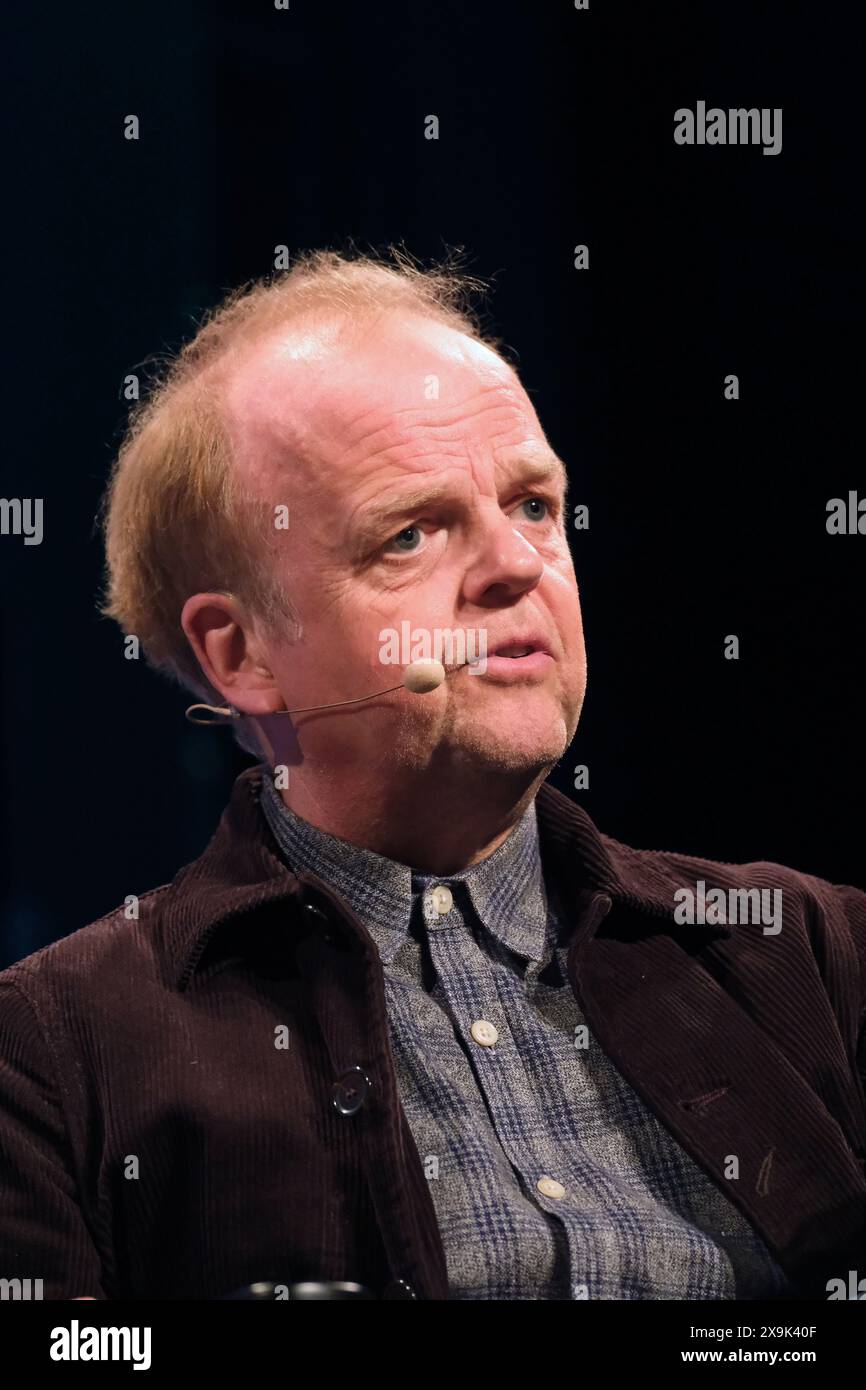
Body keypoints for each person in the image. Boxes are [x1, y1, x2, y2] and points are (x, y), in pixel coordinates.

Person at [1, 250, 864, 1300]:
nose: (515, 564)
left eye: (534, 505)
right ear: (243, 656)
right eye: (408, 533)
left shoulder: (815, 954)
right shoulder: (48, 1059)